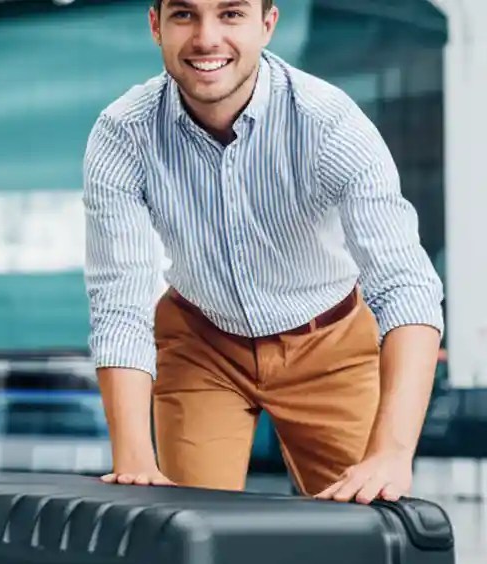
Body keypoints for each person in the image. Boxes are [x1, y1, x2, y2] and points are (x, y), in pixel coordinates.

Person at [83, 0, 444, 504]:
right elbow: (119, 300)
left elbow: (406, 286)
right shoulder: (123, 134)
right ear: (155, 25)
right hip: (201, 345)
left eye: (231, 14)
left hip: (331, 344)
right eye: (184, 15)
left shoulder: (329, 124)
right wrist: (133, 457)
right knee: (191, 532)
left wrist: (392, 451)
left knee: (363, 527)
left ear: (267, 25)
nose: (206, 38)